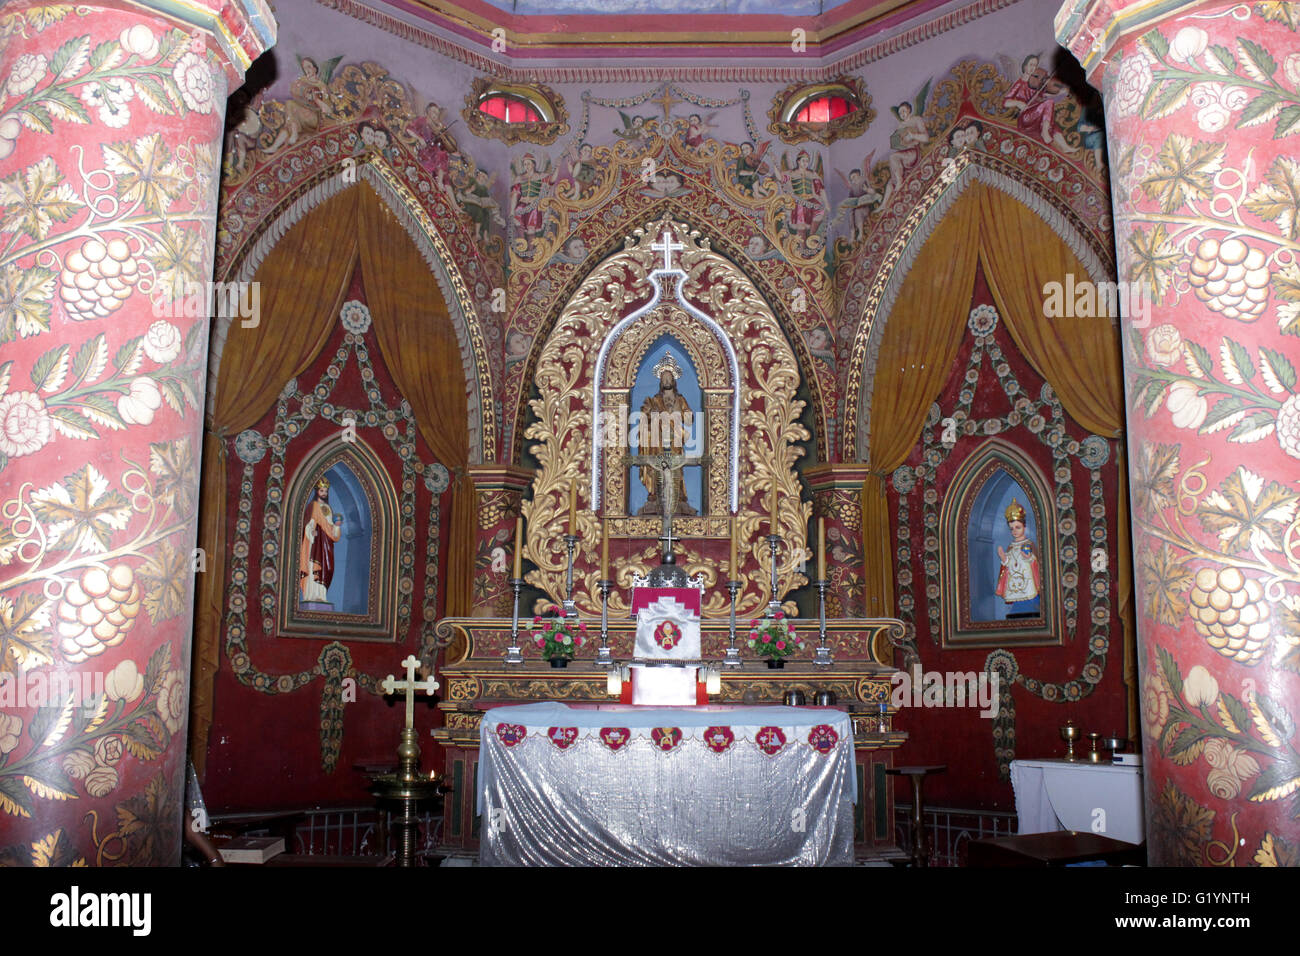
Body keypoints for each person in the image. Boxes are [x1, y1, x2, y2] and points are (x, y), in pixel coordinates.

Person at [637, 354, 696, 516]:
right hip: (658, 442)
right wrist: (652, 416)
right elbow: (644, 416)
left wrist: (679, 415)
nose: (667, 381)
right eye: (664, 378)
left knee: (676, 468)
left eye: (669, 378)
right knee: (658, 468)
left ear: (674, 381)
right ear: (661, 381)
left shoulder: (680, 399)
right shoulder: (654, 400)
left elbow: (689, 418)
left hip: (675, 439)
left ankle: (678, 497)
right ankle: (656, 496)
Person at [300, 476, 342, 604]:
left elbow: (329, 525)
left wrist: (336, 527)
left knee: (327, 568)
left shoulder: (328, 508)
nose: (324, 493)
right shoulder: (313, 506)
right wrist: (310, 530)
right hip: (316, 542)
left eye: (326, 491)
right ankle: (311, 595)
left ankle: (322, 596)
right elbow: (308, 522)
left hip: (327, 543)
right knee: (314, 566)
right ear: (317, 491)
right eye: (321, 490)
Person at [995, 499, 1041, 617]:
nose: (1015, 531)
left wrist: (1029, 558)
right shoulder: (1011, 546)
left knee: (1030, 597)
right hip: (1015, 580)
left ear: (1024, 527)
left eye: (1018, 527)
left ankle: (1032, 606)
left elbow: (1036, 563)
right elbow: (1008, 564)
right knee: (1017, 599)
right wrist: (1004, 558)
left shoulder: (1029, 544)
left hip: (1027, 580)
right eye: (1012, 528)